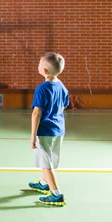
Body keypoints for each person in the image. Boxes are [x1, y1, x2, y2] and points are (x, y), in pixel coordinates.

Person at [29, 52, 69, 206]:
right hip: (59, 130)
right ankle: (44, 184)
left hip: (44, 131)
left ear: (44, 70)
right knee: (49, 158)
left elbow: (36, 113)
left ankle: (56, 193)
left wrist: (33, 136)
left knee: (45, 164)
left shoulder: (42, 89)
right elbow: (64, 105)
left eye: (40, 64)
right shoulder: (62, 86)